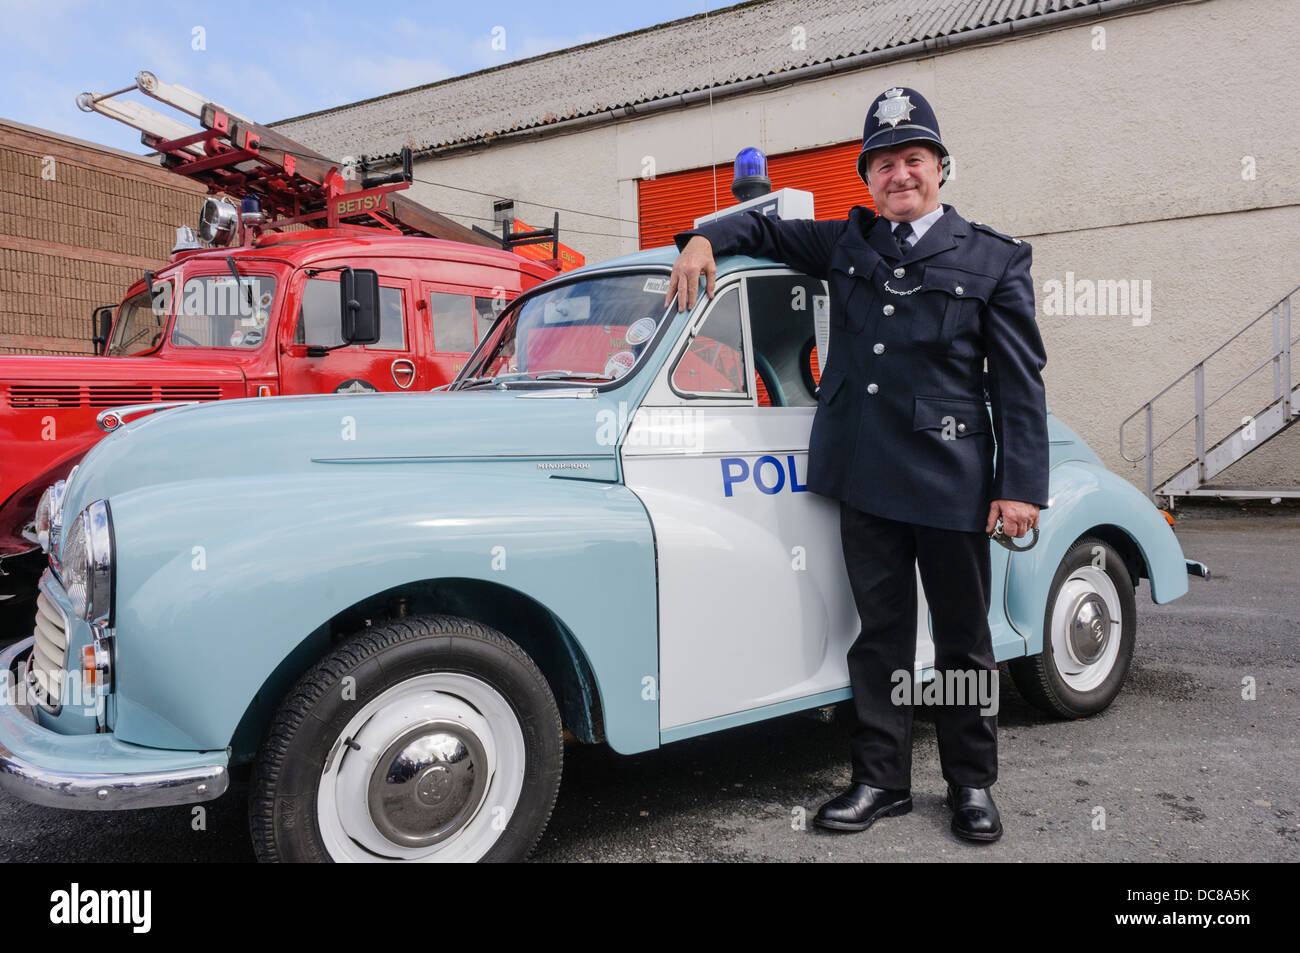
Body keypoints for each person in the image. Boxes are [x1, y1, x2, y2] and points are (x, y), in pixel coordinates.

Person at [665, 86, 1050, 843]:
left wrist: (1020, 488)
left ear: (941, 167)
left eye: (914, 159)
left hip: (951, 475)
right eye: (884, 164)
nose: (899, 175)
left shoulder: (993, 259)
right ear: (867, 177)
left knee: (962, 639)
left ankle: (971, 782)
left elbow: (1018, 382)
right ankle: (881, 779)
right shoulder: (847, 242)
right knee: (879, 633)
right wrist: (699, 238)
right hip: (865, 472)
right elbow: (762, 227)